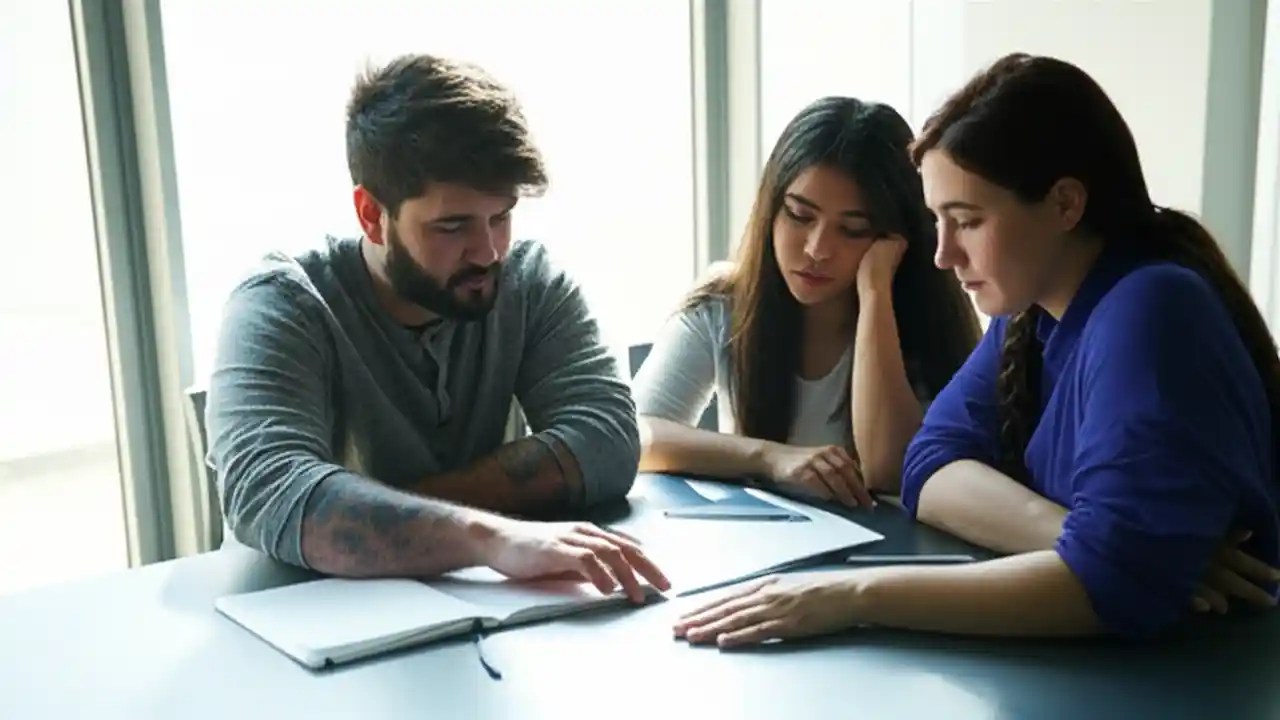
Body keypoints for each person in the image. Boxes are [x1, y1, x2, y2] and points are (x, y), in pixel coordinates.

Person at [673, 53, 1280, 646]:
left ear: (1066, 204)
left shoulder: (1150, 307)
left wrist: (852, 595)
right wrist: (1093, 544)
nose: (942, 255)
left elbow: (1108, 587)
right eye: (937, 221)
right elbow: (926, 466)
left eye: (967, 221)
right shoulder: (1029, 315)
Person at [206, 54, 669, 602]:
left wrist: (392, 511)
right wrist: (490, 537)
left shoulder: (528, 280)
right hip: (296, 616)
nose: (490, 251)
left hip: (470, 613)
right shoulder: (281, 304)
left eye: (501, 217)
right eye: (453, 226)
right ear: (371, 215)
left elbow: (609, 440)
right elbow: (272, 493)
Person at [633, 97, 980, 507]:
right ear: (771, 209)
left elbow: (889, 472)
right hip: (766, 551)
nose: (817, 249)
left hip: (893, 559)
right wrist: (768, 457)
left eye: (852, 230)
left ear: (894, 238)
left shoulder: (922, 320)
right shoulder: (723, 305)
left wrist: (874, 295)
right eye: (799, 215)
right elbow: (632, 434)